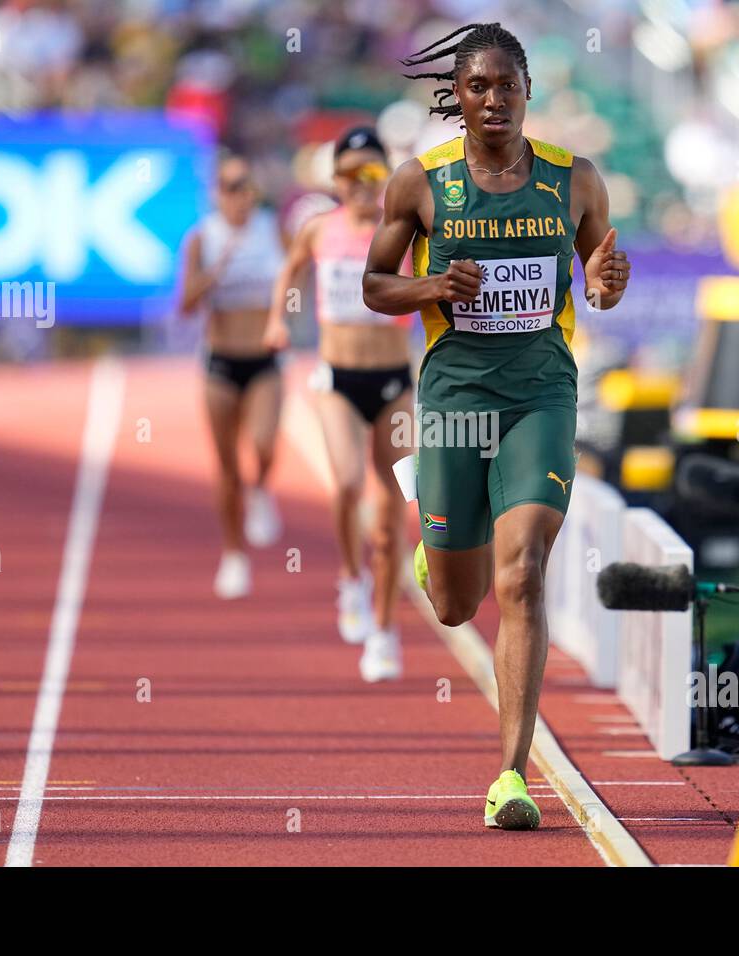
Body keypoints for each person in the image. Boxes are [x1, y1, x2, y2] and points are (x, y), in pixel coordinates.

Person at [362, 23, 631, 829]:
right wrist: (434, 284)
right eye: (475, 87)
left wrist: (610, 282)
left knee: (521, 576)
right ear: (458, 96)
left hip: (541, 397)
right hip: (453, 399)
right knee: (455, 603)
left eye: (504, 86)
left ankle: (511, 777)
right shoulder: (420, 183)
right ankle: (438, 550)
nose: (491, 100)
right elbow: (375, 285)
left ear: (525, 92)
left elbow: (601, 278)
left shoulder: (572, 180)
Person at [263, 128, 414, 682]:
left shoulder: (405, 234)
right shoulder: (318, 230)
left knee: (397, 508)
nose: (360, 184)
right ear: (337, 181)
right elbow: (289, 271)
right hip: (338, 381)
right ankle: (352, 577)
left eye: (372, 173)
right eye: (350, 174)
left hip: (395, 383)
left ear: (386, 177)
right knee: (349, 484)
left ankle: (384, 632)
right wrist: (279, 318)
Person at [178, 152, 286, 600]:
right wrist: (213, 273)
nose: (240, 195)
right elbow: (185, 305)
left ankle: (260, 487)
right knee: (225, 470)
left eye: (246, 186)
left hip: (263, 358)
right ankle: (234, 554)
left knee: (262, 443)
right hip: (221, 363)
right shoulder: (203, 239)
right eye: (231, 187)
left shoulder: (271, 229)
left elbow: (294, 279)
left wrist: (287, 314)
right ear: (216, 194)